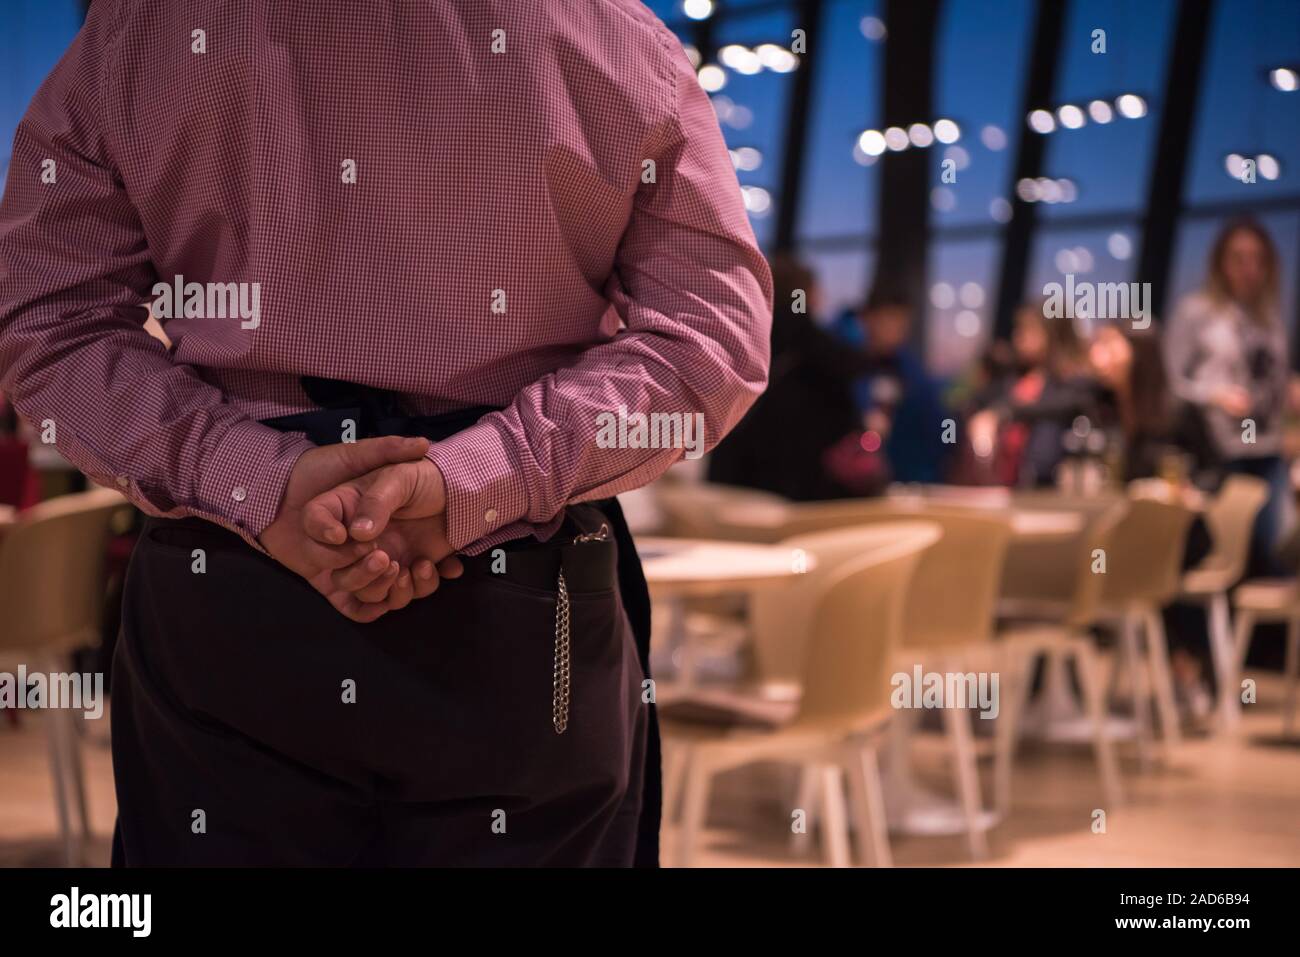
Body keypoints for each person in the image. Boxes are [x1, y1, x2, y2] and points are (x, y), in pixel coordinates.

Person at [0, 1, 771, 866]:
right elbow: (710, 343)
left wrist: (258, 479)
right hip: (523, 589)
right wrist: (474, 480)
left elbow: (50, 324)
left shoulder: (142, 32)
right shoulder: (616, 39)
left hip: (231, 585)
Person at [1165, 219, 1291, 575]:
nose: (1249, 268)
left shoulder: (1269, 319)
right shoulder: (1197, 311)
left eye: (1257, 259)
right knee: (1227, 550)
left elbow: (1271, 380)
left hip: (1266, 446)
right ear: (1221, 262)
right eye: (1239, 258)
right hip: (1219, 449)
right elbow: (1172, 382)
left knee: (1272, 550)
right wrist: (1215, 396)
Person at [708, 256, 875, 500]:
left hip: (737, 469)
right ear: (805, 293)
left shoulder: (742, 334)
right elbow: (852, 366)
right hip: (799, 479)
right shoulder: (805, 334)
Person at [966, 302, 1096, 487]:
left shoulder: (1071, 380)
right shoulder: (1014, 377)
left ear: (1052, 334)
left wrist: (1000, 413)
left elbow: (1053, 406)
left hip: (1049, 484)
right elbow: (976, 403)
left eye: (1029, 330)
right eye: (1019, 330)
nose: (1019, 338)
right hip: (1007, 482)